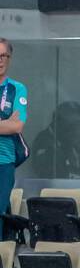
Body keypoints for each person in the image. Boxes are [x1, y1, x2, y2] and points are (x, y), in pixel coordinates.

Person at [0, 40, 27, 216]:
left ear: (9, 59)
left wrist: (11, 124)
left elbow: (17, 126)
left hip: (4, 163)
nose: (0, 60)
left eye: (4, 56)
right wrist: (5, 123)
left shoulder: (17, 89)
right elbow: (10, 125)